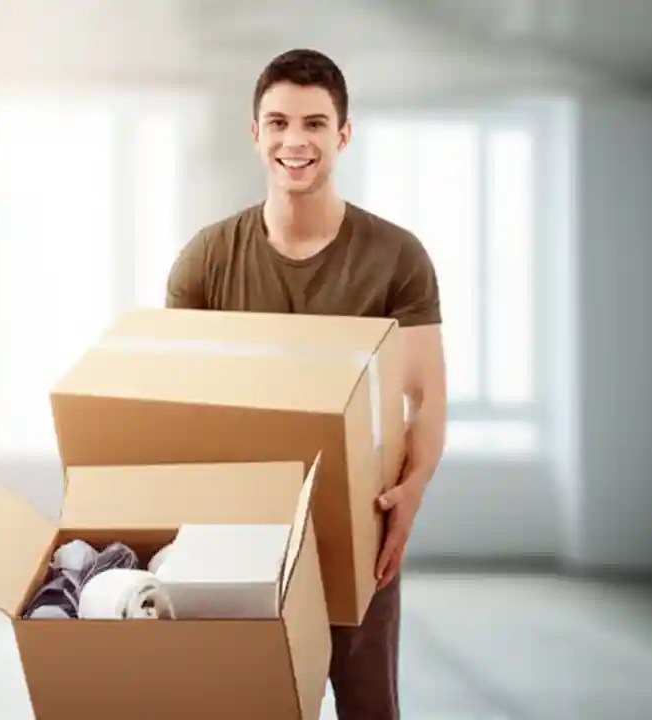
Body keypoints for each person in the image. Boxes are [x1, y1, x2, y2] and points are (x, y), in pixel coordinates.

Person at [166, 48, 448, 719]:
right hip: (242, 534)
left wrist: (413, 490)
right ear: (255, 132)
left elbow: (426, 395)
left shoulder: (395, 257)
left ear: (343, 135)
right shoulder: (206, 260)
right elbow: (177, 400)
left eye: (316, 124)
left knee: (368, 708)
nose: (296, 141)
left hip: (359, 530)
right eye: (280, 122)